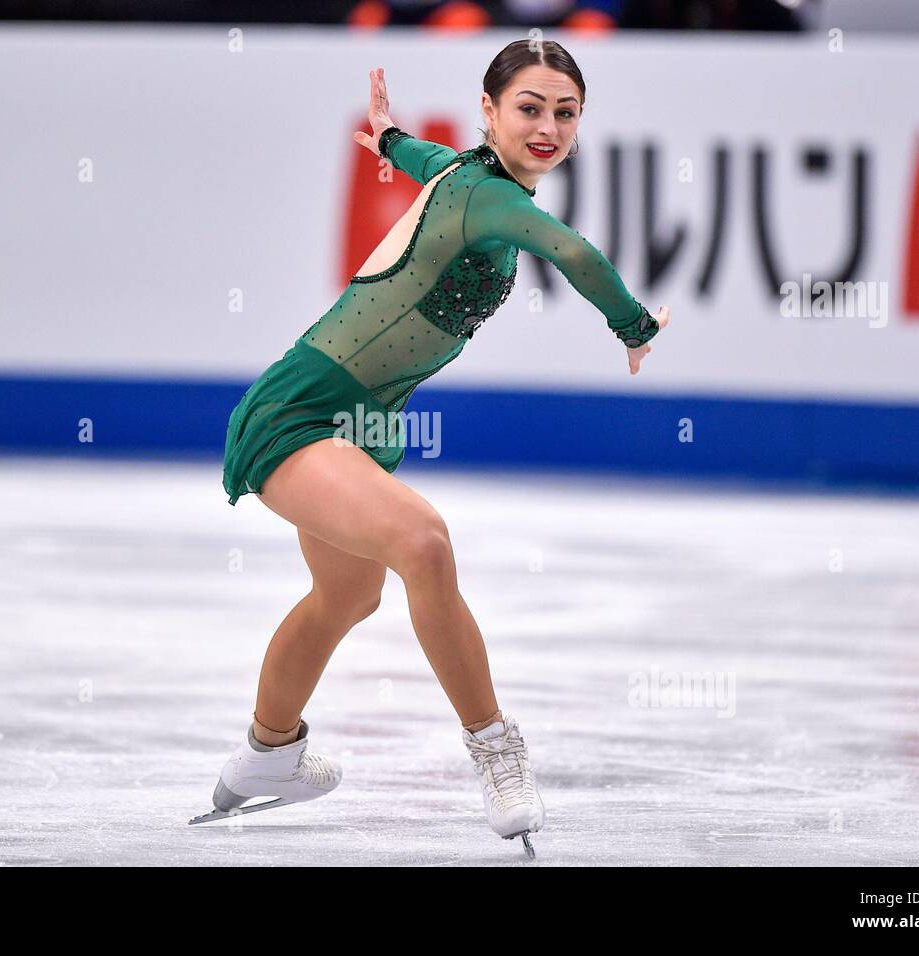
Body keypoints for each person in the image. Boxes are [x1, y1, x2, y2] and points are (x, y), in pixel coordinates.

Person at [199, 38, 671, 856]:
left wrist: (387, 137)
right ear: (490, 112)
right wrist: (633, 326)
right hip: (303, 412)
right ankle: (495, 749)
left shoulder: (461, 172)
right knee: (424, 544)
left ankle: (266, 755)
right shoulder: (490, 198)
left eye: (565, 112)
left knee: (348, 596)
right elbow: (573, 251)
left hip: (365, 428)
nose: (548, 126)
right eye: (529, 107)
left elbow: (422, 157)